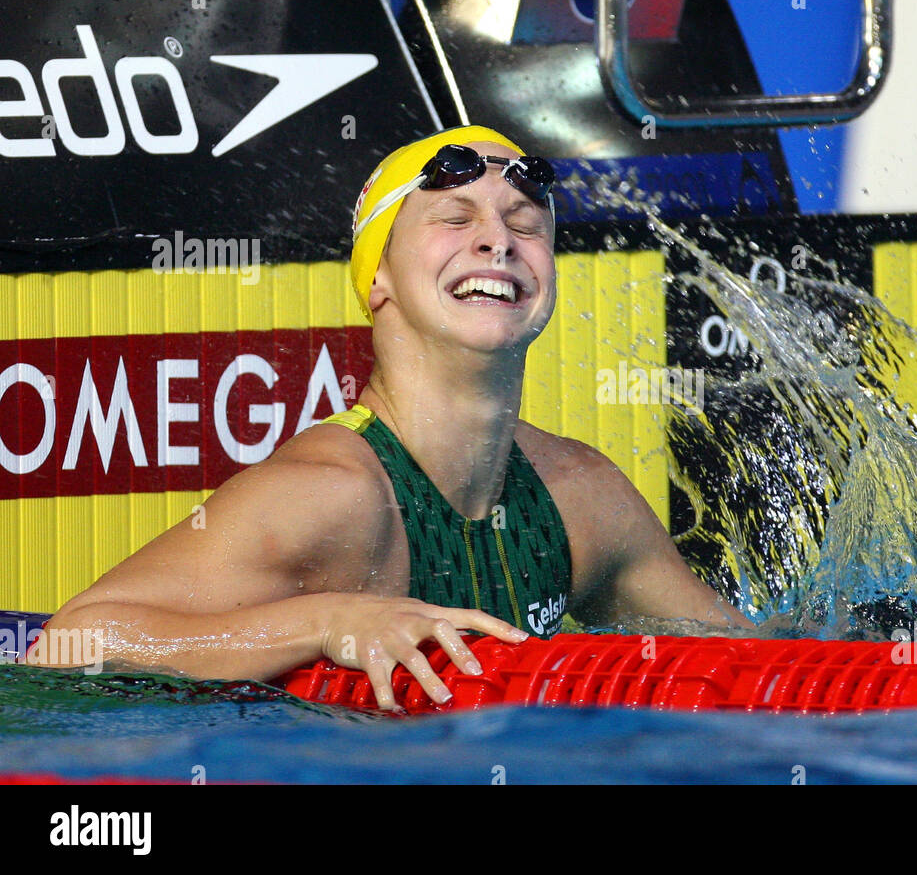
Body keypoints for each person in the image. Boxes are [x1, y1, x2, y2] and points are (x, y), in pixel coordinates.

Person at [33, 125, 751, 709]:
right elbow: (70, 644)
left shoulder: (582, 496)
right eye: (455, 218)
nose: (497, 241)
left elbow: (748, 663)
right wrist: (329, 621)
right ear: (377, 277)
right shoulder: (333, 492)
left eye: (524, 224)